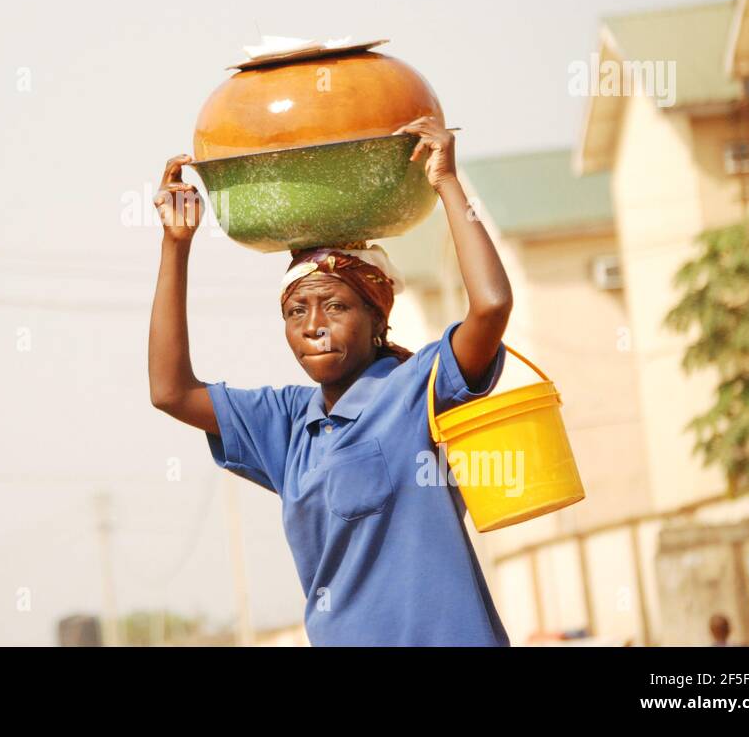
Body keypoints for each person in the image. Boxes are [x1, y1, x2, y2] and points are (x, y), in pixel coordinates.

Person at [148, 115, 515, 646]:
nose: (313, 326)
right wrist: (175, 244)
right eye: (296, 311)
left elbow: (492, 304)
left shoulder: (418, 388)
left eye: (336, 306)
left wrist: (447, 182)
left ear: (377, 319)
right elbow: (171, 391)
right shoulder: (287, 425)